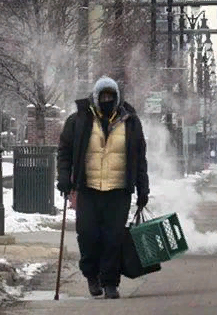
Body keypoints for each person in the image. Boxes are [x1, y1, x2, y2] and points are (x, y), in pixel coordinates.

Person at [57, 77, 149, 300]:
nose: (107, 100)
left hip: (119, 190)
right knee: (87, 235)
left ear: (117, 98)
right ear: (96, 97)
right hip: (88, 188)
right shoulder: (78, 119)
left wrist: (143, 188)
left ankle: (110, 283)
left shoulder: (131, 121)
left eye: (111, 96)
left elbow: (139, 158)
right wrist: (64, 179)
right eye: (103, 96)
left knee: (113, 238)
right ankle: (91, 275)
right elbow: (65, 152)